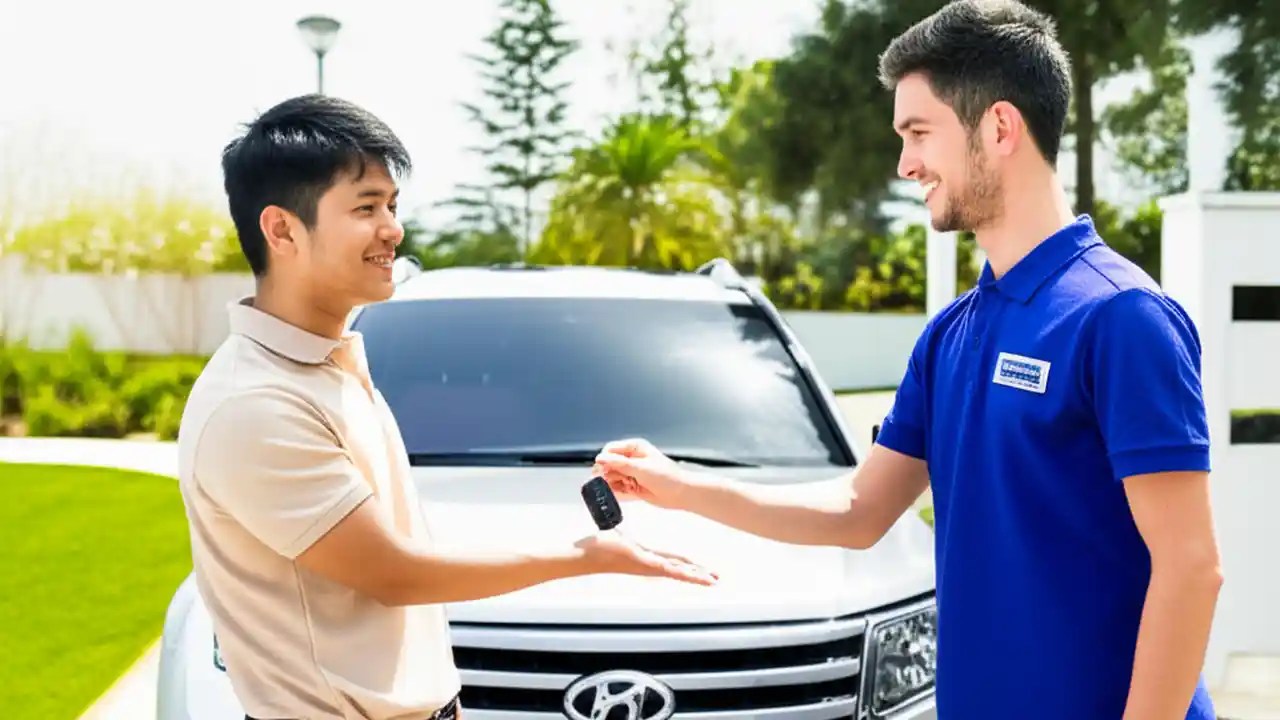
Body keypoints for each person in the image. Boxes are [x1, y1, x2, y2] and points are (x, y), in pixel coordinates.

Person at [593, 2, 1223, 718]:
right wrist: (678, 486)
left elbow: (1191, 567)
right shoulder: (950, 335)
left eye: (919, 133)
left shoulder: (1121, 317)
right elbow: (858, 512)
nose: (905, 163)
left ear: (1000, 127)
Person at [176, 94, 717, 720]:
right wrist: (582, 558)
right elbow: (393, 572)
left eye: (393, 205)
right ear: (281, 230)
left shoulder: (330, 366)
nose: (393, 229)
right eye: (366, 207)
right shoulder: (255, 403)